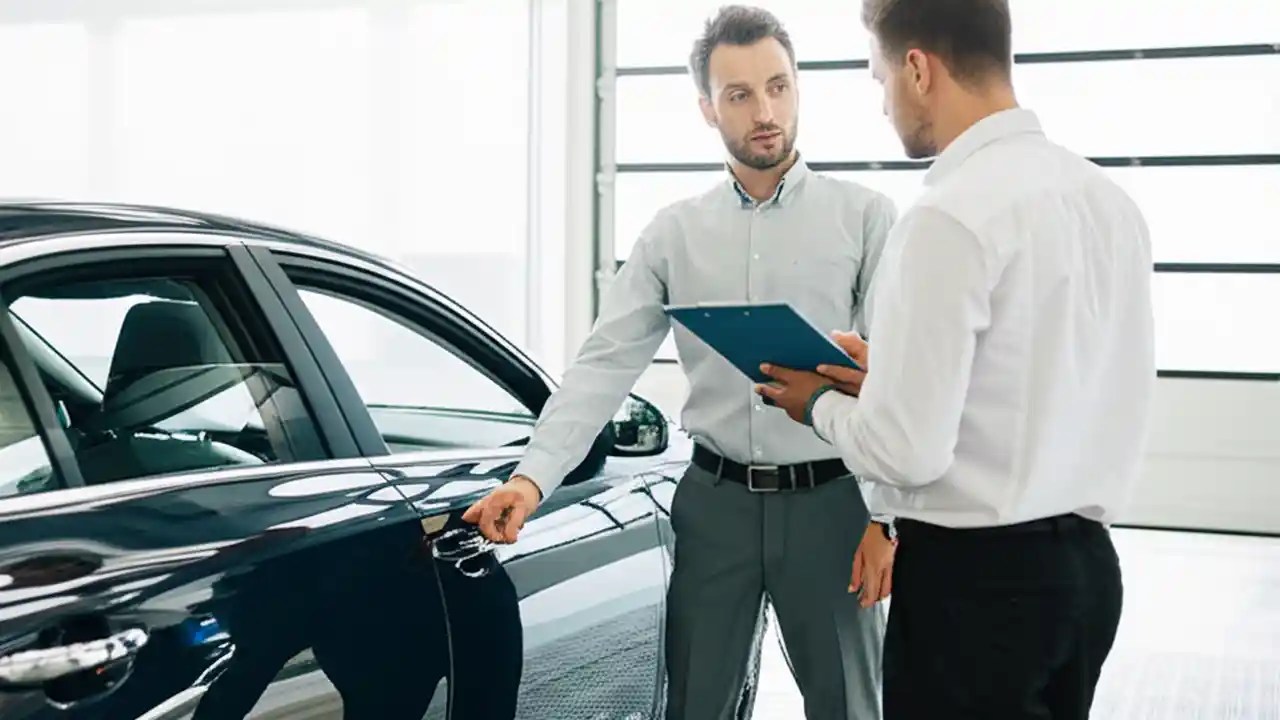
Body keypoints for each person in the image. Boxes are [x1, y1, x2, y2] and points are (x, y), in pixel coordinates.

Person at [463, 5, 898, 719]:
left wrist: (887, 519)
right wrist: (531, 477)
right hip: (715, 505)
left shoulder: (865, 217)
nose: (765, 110)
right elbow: (604, 364)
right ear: (707, 108)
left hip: (833, 505)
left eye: (779, 86)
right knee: (695, 703)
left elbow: (893, 385)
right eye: (740, 94)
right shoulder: (674, 234)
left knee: (850, 707)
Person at [757, 0, 1155, 718]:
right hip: (1089, 578)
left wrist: (816, 404)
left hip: (976, 589)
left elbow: (906, 452)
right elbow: (1053, 377)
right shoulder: (1107, 202)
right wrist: (900, 371)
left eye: (879, 79)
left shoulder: (947, 215)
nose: (882, 104)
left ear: (917, 68)